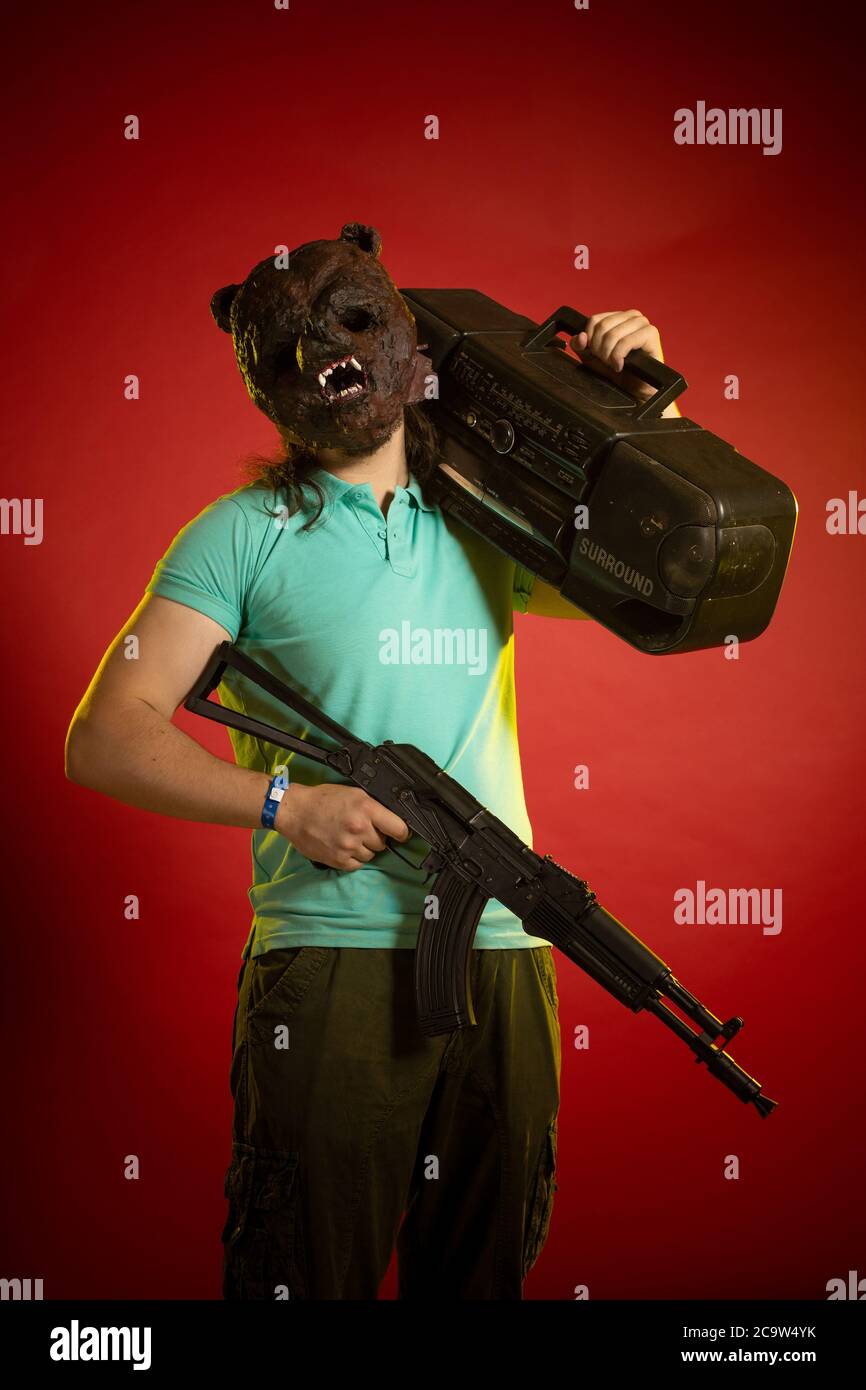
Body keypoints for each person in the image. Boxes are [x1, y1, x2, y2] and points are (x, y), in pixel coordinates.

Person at [65, 223, 679, 1299]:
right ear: (261, 380)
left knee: (481, 1270)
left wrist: (640, 411)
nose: (325, 353)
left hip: (506, 949)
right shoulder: (237, 535)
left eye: (350, 320)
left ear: (402, 337)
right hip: (331, 963)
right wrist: (281, 803)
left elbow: (665, 578)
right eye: (288, 344)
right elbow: (104, 735)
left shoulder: (493, 521)